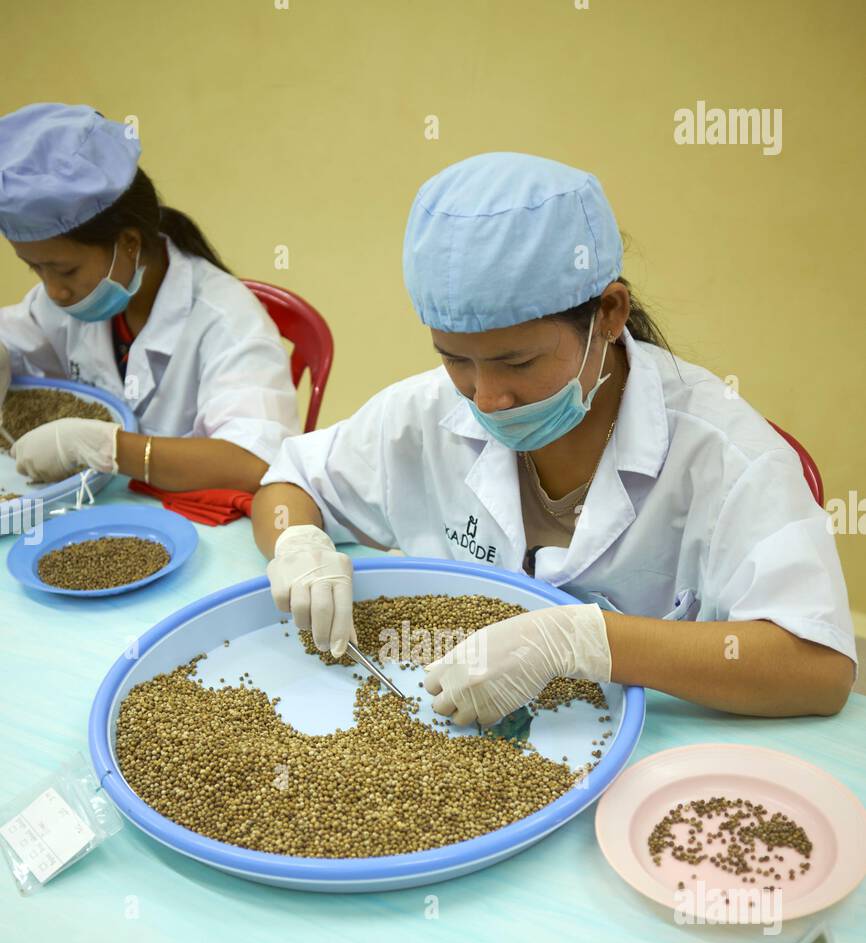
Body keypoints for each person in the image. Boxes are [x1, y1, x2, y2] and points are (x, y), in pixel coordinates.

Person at [252, 152, 855, 721]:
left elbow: (818, 668)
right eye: (456, 359)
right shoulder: (423, 412)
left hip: (658, 759)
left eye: (517, 364)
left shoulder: (723, 453)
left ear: (610, 314)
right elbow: (288, 483)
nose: (486, 398)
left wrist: (583, 640)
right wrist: (299, 545)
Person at [0, 103, 300, 492]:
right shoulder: (67, 301)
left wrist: (105, 447)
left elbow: (255, 462)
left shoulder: (227, 321)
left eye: (64, 270)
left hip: (193, 522)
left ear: (128, 243)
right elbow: (16, 340)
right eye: (34, 268)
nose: (53, 290)